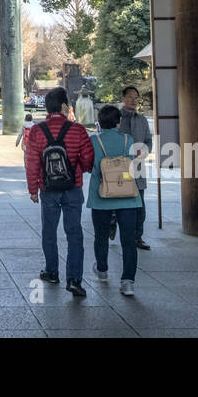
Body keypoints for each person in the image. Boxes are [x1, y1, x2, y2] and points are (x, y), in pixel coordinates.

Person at [23, 87, 94, 298]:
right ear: (64, 106)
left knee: (49, 231)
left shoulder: (37, 131)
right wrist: (80, 167)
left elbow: (32, 163)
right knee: (74, 233)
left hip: (48, 189)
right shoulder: (78, 130)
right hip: (73, 188)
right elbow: (88, 159)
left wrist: (33, 190)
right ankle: (74, 279)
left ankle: (52, 271)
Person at [87, 105, 141, 295]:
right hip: (127, 196)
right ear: (118, 122)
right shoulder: (128, 139)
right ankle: (128, 282)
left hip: (101, 196)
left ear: (99, 123)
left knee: (101, 236)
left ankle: (102, 270)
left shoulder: (94, 141)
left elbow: (87, 164)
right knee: (128, 240)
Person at [116, 85, 153, 249]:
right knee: (118, 200)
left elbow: (148, 141)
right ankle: (112, 224)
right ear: (123, 98)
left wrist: (144, 151)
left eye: (136, 97)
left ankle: (137, 237)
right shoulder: (116, 118)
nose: (133, 100)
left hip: (138, 168)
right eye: (130, 96)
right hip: (120, 168)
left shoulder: (142, 119)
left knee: (139, 203)